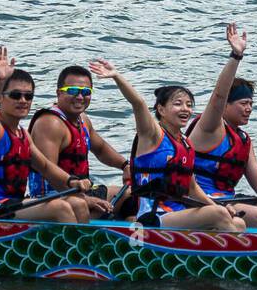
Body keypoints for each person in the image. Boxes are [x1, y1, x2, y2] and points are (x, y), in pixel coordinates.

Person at [90, 59, 244, 231]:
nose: (185, 109)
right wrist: (117, 76)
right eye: (177, 104)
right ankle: (230, 255)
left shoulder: (186, 144)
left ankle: (213, 254)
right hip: (152, 216)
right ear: (161, 110)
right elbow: (138, 103)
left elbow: (192, 188)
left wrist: (220, 207)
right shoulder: (152, 135)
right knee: (218, 215)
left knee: (237, 221)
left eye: (189, 105)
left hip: (178, 212)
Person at [0, 48, 83, 222]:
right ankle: (71, 248)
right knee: (60, 207)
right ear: (1, 98)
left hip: (13, 204)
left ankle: (84, 247)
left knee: (77, 203)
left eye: (28, 96)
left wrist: (72, 181)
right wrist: (0, 80)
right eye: (15, 95)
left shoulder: (23, 135)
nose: (23, 100)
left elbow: (46, 168)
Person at [185, 24, 257, 227]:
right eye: (243, 104)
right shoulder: (209, 127)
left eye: (251, 104)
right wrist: (236, 56)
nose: (249, 109)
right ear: (226, 107)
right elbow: (218, 95)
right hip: (196, 201)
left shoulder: (243, 139)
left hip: (226, 199)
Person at [27, 65, 131, 222]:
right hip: (52, 198)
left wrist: (125, 166)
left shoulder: (83, 119)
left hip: (79, 193)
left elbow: (101, 149)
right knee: (83, 205)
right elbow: (48, 173)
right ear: (59, 93)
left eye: (86, 92)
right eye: (73, 91)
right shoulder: (50, 123)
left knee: (128, 194)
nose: (80, 97)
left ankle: (132, 233)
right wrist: (87, 200)